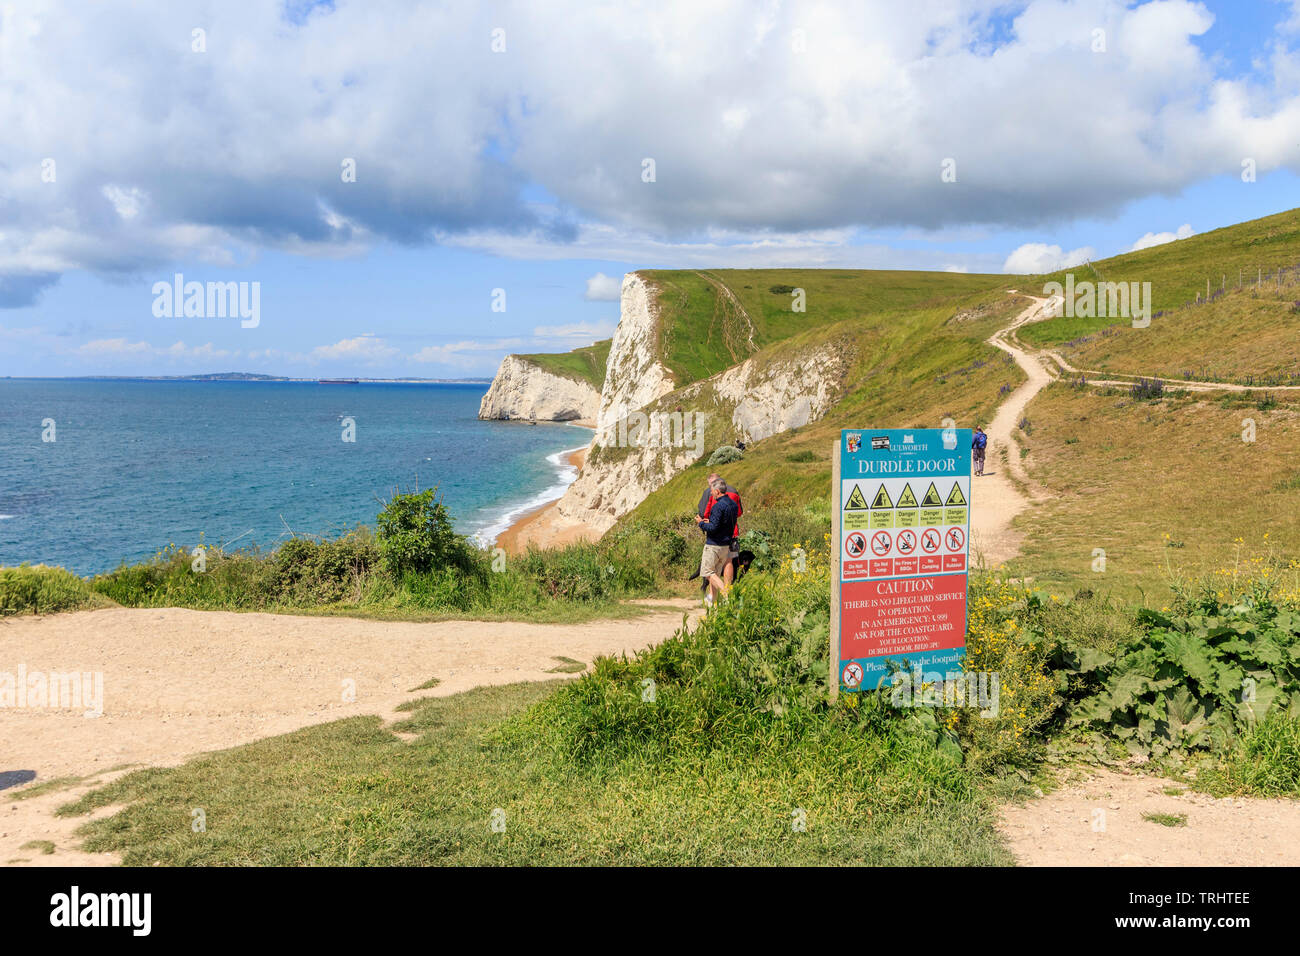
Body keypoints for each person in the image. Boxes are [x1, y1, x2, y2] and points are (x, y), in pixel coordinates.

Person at [696, 477, 738, 605]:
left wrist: (701, 523)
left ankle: (727, 594)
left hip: (714, 544)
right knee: (715, 573)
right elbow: (723, 523)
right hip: (726, 544)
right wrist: (711, 522)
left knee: (708, 572)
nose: (711, 493)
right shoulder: (733, 505)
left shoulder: (717, 506)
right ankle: (713, 602)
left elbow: (713, 528)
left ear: (717, 491)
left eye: (712, 491)